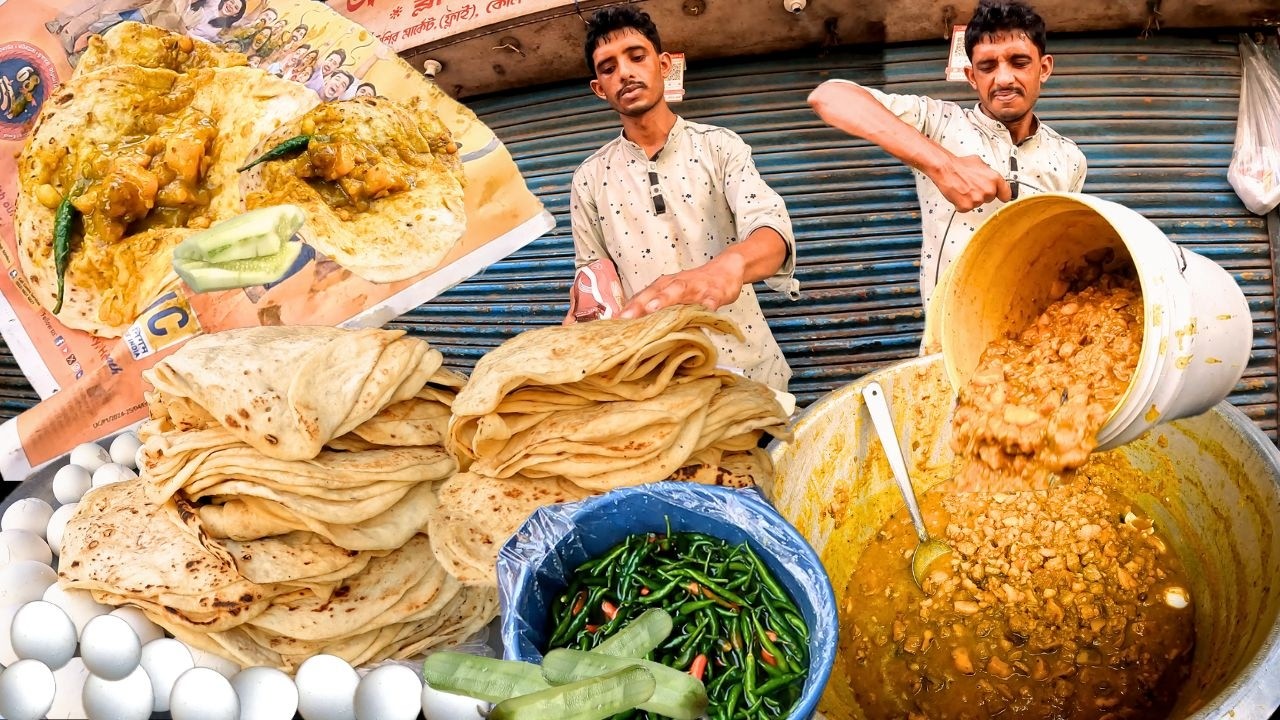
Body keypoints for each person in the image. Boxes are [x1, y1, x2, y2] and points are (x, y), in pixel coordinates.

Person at [567, 7, 799, 391]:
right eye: (608, 68)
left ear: (664, 65)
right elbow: (592, 280)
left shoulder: (719, 146)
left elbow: (770, 229)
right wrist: (578, 328)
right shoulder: (589, 178)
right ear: (599, 88)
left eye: (636, 57)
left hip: (749, 372)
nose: (624, 72)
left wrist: (726, 268)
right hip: (655, 385)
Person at [807, 0, 1086, 309]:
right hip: (948, 334)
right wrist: (944, 165)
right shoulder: (938, 123)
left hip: (1036, 330)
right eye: (987, 66)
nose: (1004, 79)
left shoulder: (1069, 157)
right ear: (971, 76)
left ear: (1044, 68)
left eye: (1019, 62)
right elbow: (830, 96)